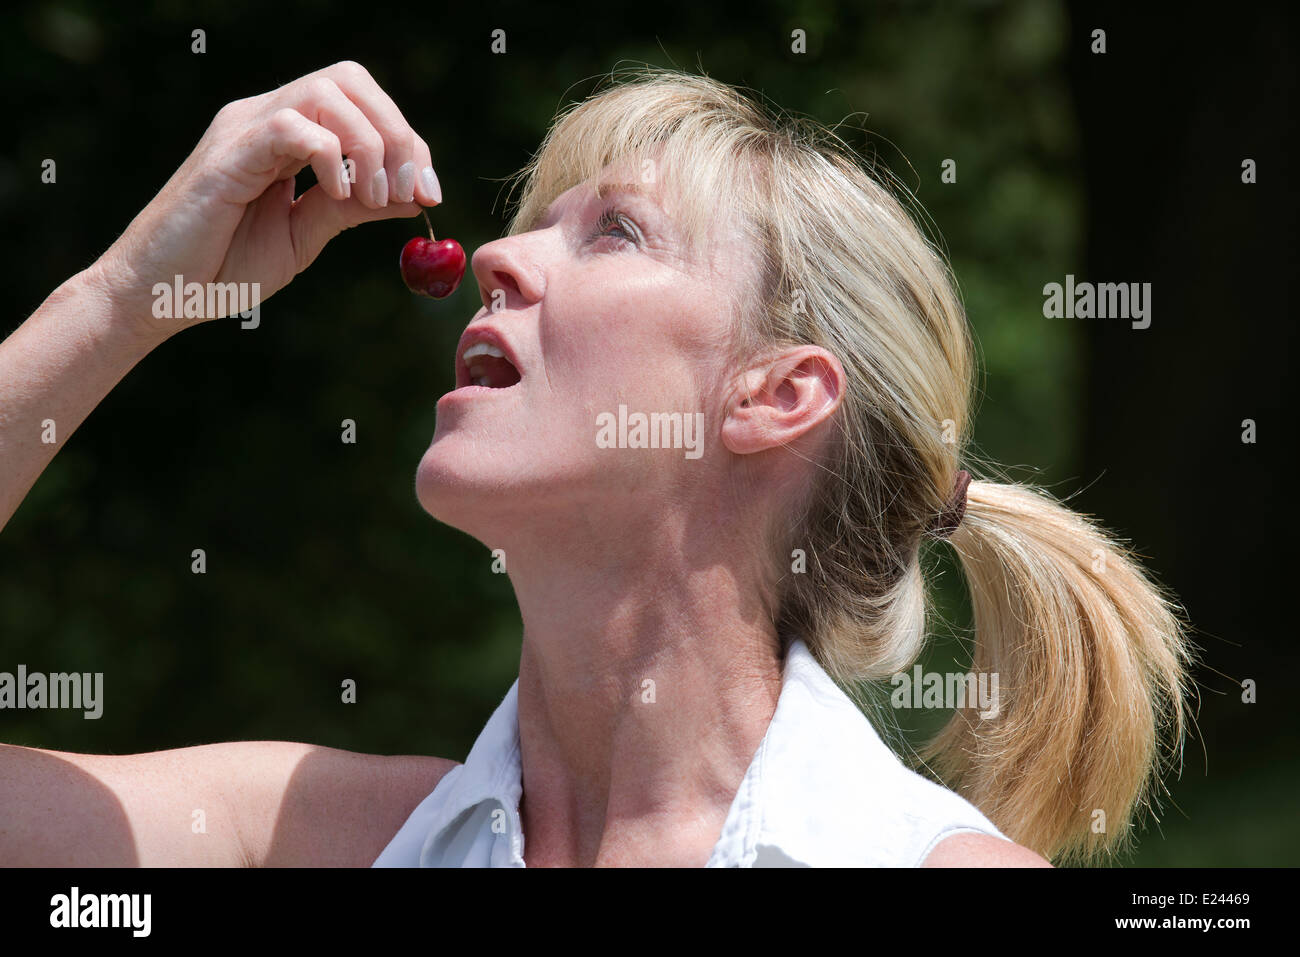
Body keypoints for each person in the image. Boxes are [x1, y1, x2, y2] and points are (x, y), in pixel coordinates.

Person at [0, 62, 1193, 867]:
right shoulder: (321, 840)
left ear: (776, 396)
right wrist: (123, 298)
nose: (498, 256)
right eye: (531, 220)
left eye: (613, 230)